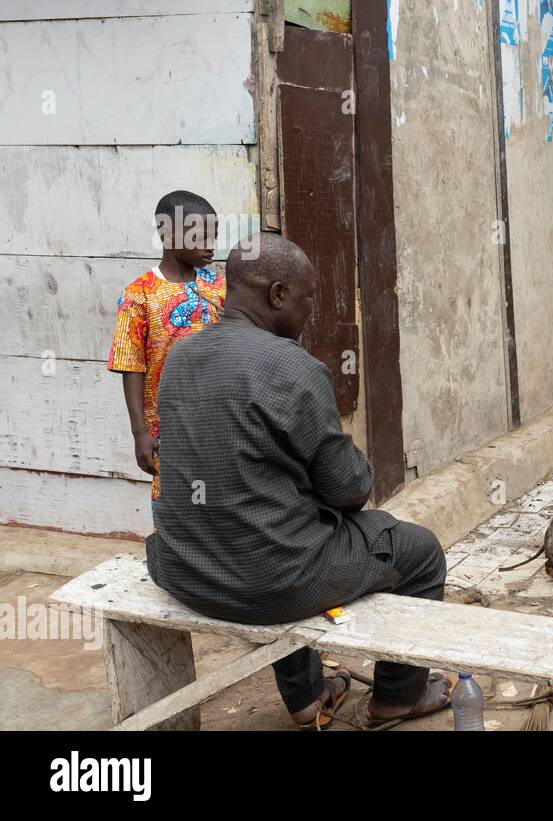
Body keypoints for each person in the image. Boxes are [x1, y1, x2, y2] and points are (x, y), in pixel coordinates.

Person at [148, 232, 450, 730]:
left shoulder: (180, 358)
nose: (312, 311)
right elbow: (352, 489)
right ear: (278, 295)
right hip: (262, 581)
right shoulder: (295, 369)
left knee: (273, 523)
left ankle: (308, 697)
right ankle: (397, 698)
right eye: (309, 298)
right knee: (417, 550)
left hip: (183, 567)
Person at [108, 190, 225, 505]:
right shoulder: (140, 295)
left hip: (222, 418)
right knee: (175, 502)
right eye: (201, 236)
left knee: (223, 498)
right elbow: (130, 365)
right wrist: (139, 433)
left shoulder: (219, 286)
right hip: (168, 427)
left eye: (214, 235)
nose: (211, 244)